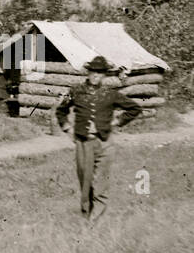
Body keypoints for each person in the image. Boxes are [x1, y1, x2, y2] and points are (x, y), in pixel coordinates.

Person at [56, 55, 143, 223]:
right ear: (88, 73)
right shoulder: (75, 91)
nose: (96, 75)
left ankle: (97, 220)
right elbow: (61, 111)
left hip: (105, 143)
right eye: (93, 71)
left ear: (104, 75)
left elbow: (134, 108)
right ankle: (86, 214)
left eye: (100, 72)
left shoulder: (111, 94)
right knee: (85, 180)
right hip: (83, 143)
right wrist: (68, 128)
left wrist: (116, 122)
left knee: (102, 181)